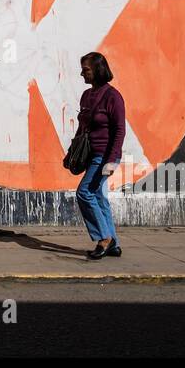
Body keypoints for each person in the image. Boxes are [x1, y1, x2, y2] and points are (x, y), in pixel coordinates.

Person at [75, 51, 125, 260]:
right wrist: (73, 153)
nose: (81, 74)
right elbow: (82, 127)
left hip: (105, 156)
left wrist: (111, 161)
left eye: (85, 70)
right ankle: (112, 243)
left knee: (84, 193)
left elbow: (119, 130)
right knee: (97, 195)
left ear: (98, 70)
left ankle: (104, 238)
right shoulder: (87, 96)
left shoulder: (113, 96)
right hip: (90, 154)